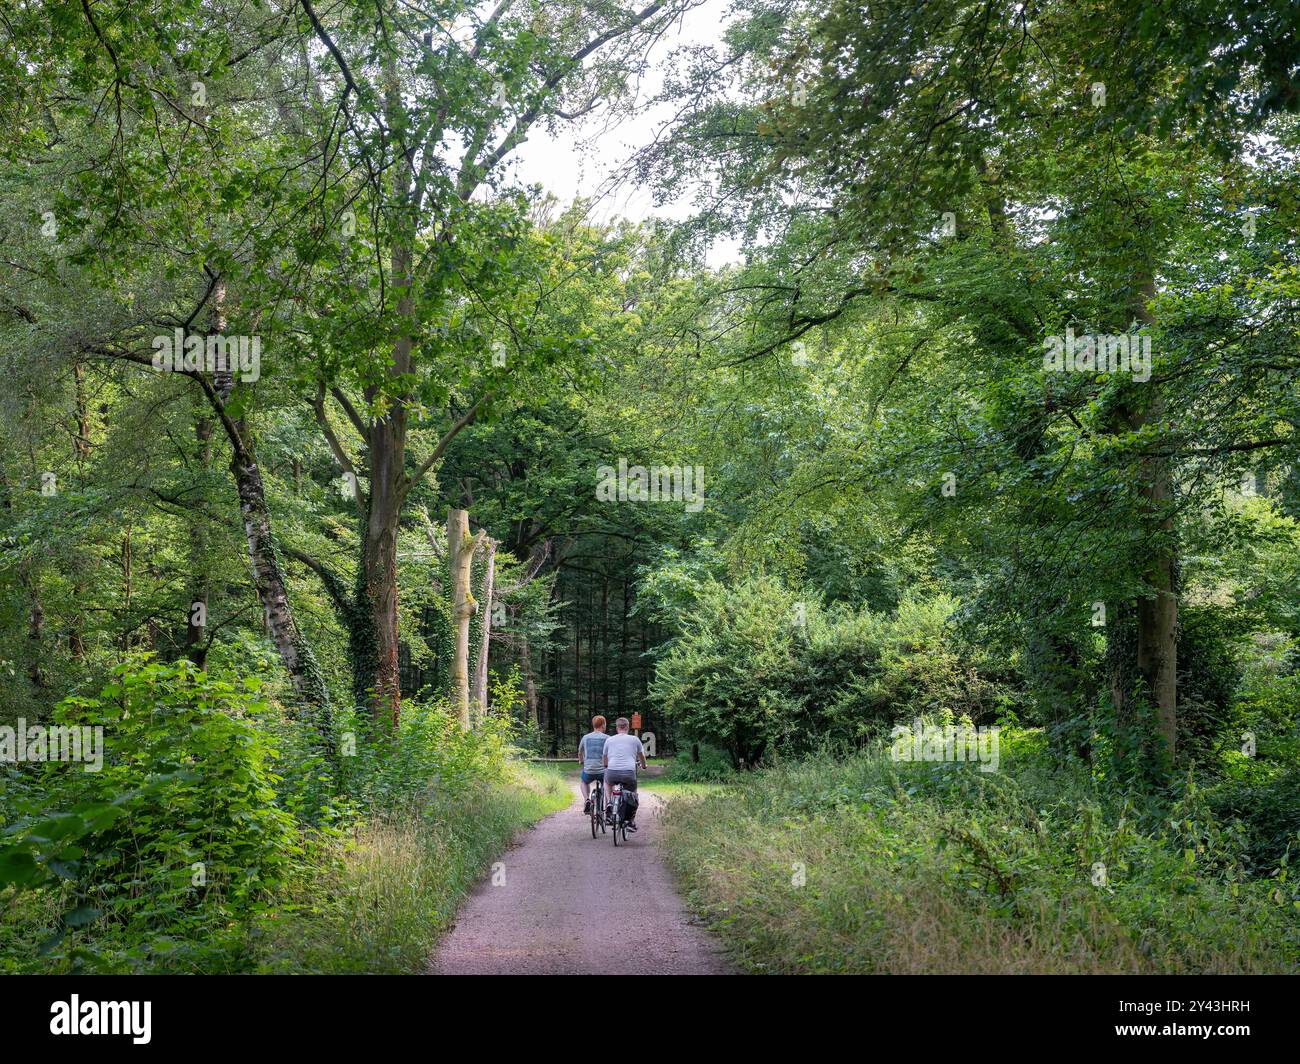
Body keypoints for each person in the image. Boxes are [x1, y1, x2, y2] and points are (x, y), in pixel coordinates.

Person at [602, 717, 647, 831]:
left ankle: (609, 803)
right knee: (633, 794)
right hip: (629, 773)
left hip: (612, 772)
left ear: (617, 728)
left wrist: (606, 766)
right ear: (627, 727)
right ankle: (630, 822)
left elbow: (605, 757)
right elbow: (641, 756)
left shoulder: (609, 740)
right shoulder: (635, 739)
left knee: (607, 782)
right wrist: (644, 765)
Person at [577, 715, 608, 814]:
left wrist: (581, 761)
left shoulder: (585, 737)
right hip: (603, 771)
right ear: (603, 725)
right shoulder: (608, 738)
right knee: (608, 783)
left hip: (589, 770)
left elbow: (580, 752)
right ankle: (608, 806)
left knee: (584, 782)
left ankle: (587, 800)